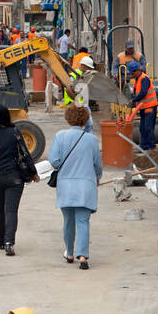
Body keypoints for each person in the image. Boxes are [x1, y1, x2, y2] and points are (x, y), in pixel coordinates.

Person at [0, 103, 39, 256]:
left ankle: (0, 241)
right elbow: (25, 152)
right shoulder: (14, 132)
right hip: (15, 177)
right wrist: (34, 172)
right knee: (11, 210)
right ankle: (10, 242)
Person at [48, 104, 103, 268]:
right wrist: (97, 176)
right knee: (83, 221)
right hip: (86, 185)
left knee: (68, 221)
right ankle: (83, 257)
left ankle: (69, 252)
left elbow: (54, 161)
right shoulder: (92, 140)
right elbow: (97, 164)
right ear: (86, 120)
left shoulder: (60, 136)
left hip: (66, 186)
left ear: (68, 118)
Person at [128, 60, 158, 150]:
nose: (131, 75)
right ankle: (144, 146)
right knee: (143, 128)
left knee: (148, 127)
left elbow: (143, 92)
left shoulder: (144, 78)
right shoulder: (137, 79)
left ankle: (151, 146)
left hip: (149, 107)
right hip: (143, 107)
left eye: (132, 73)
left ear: (137, 70)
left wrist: (134, 100)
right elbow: (137, 93)